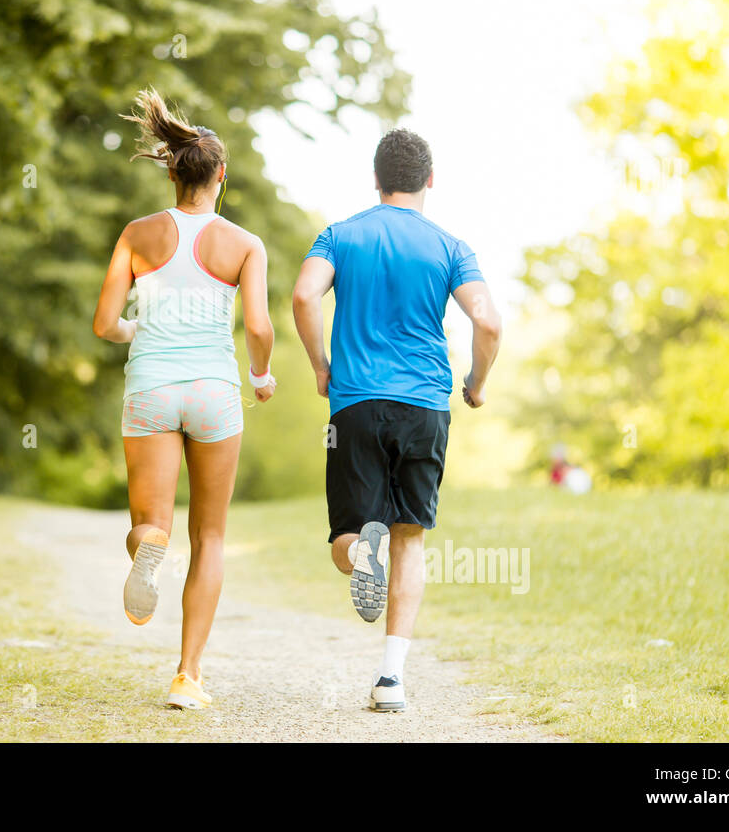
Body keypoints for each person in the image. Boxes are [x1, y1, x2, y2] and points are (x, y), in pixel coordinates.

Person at [291, 128, 502, 712]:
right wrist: (476, 385)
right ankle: (391, 680)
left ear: (376, 180)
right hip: (426, 406)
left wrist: (320, 366)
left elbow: (305, 297)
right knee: (411, 537)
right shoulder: (451, 246)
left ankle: (363, 558)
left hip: (355, 403)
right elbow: (488, 324)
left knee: (346, 538)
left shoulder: (340, 235)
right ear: (430, 180)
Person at [92, 88, 276, 710]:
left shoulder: (137, 234)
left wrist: (133, 330)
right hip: (214, 394)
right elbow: (257, 326)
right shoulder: (244, 244)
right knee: (212, 538)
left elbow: (104, 322)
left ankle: (147, 548)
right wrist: (261, 375)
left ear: (171, 171)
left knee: (153, 525)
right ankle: (187, 676)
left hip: (151, 387)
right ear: (220, 176)